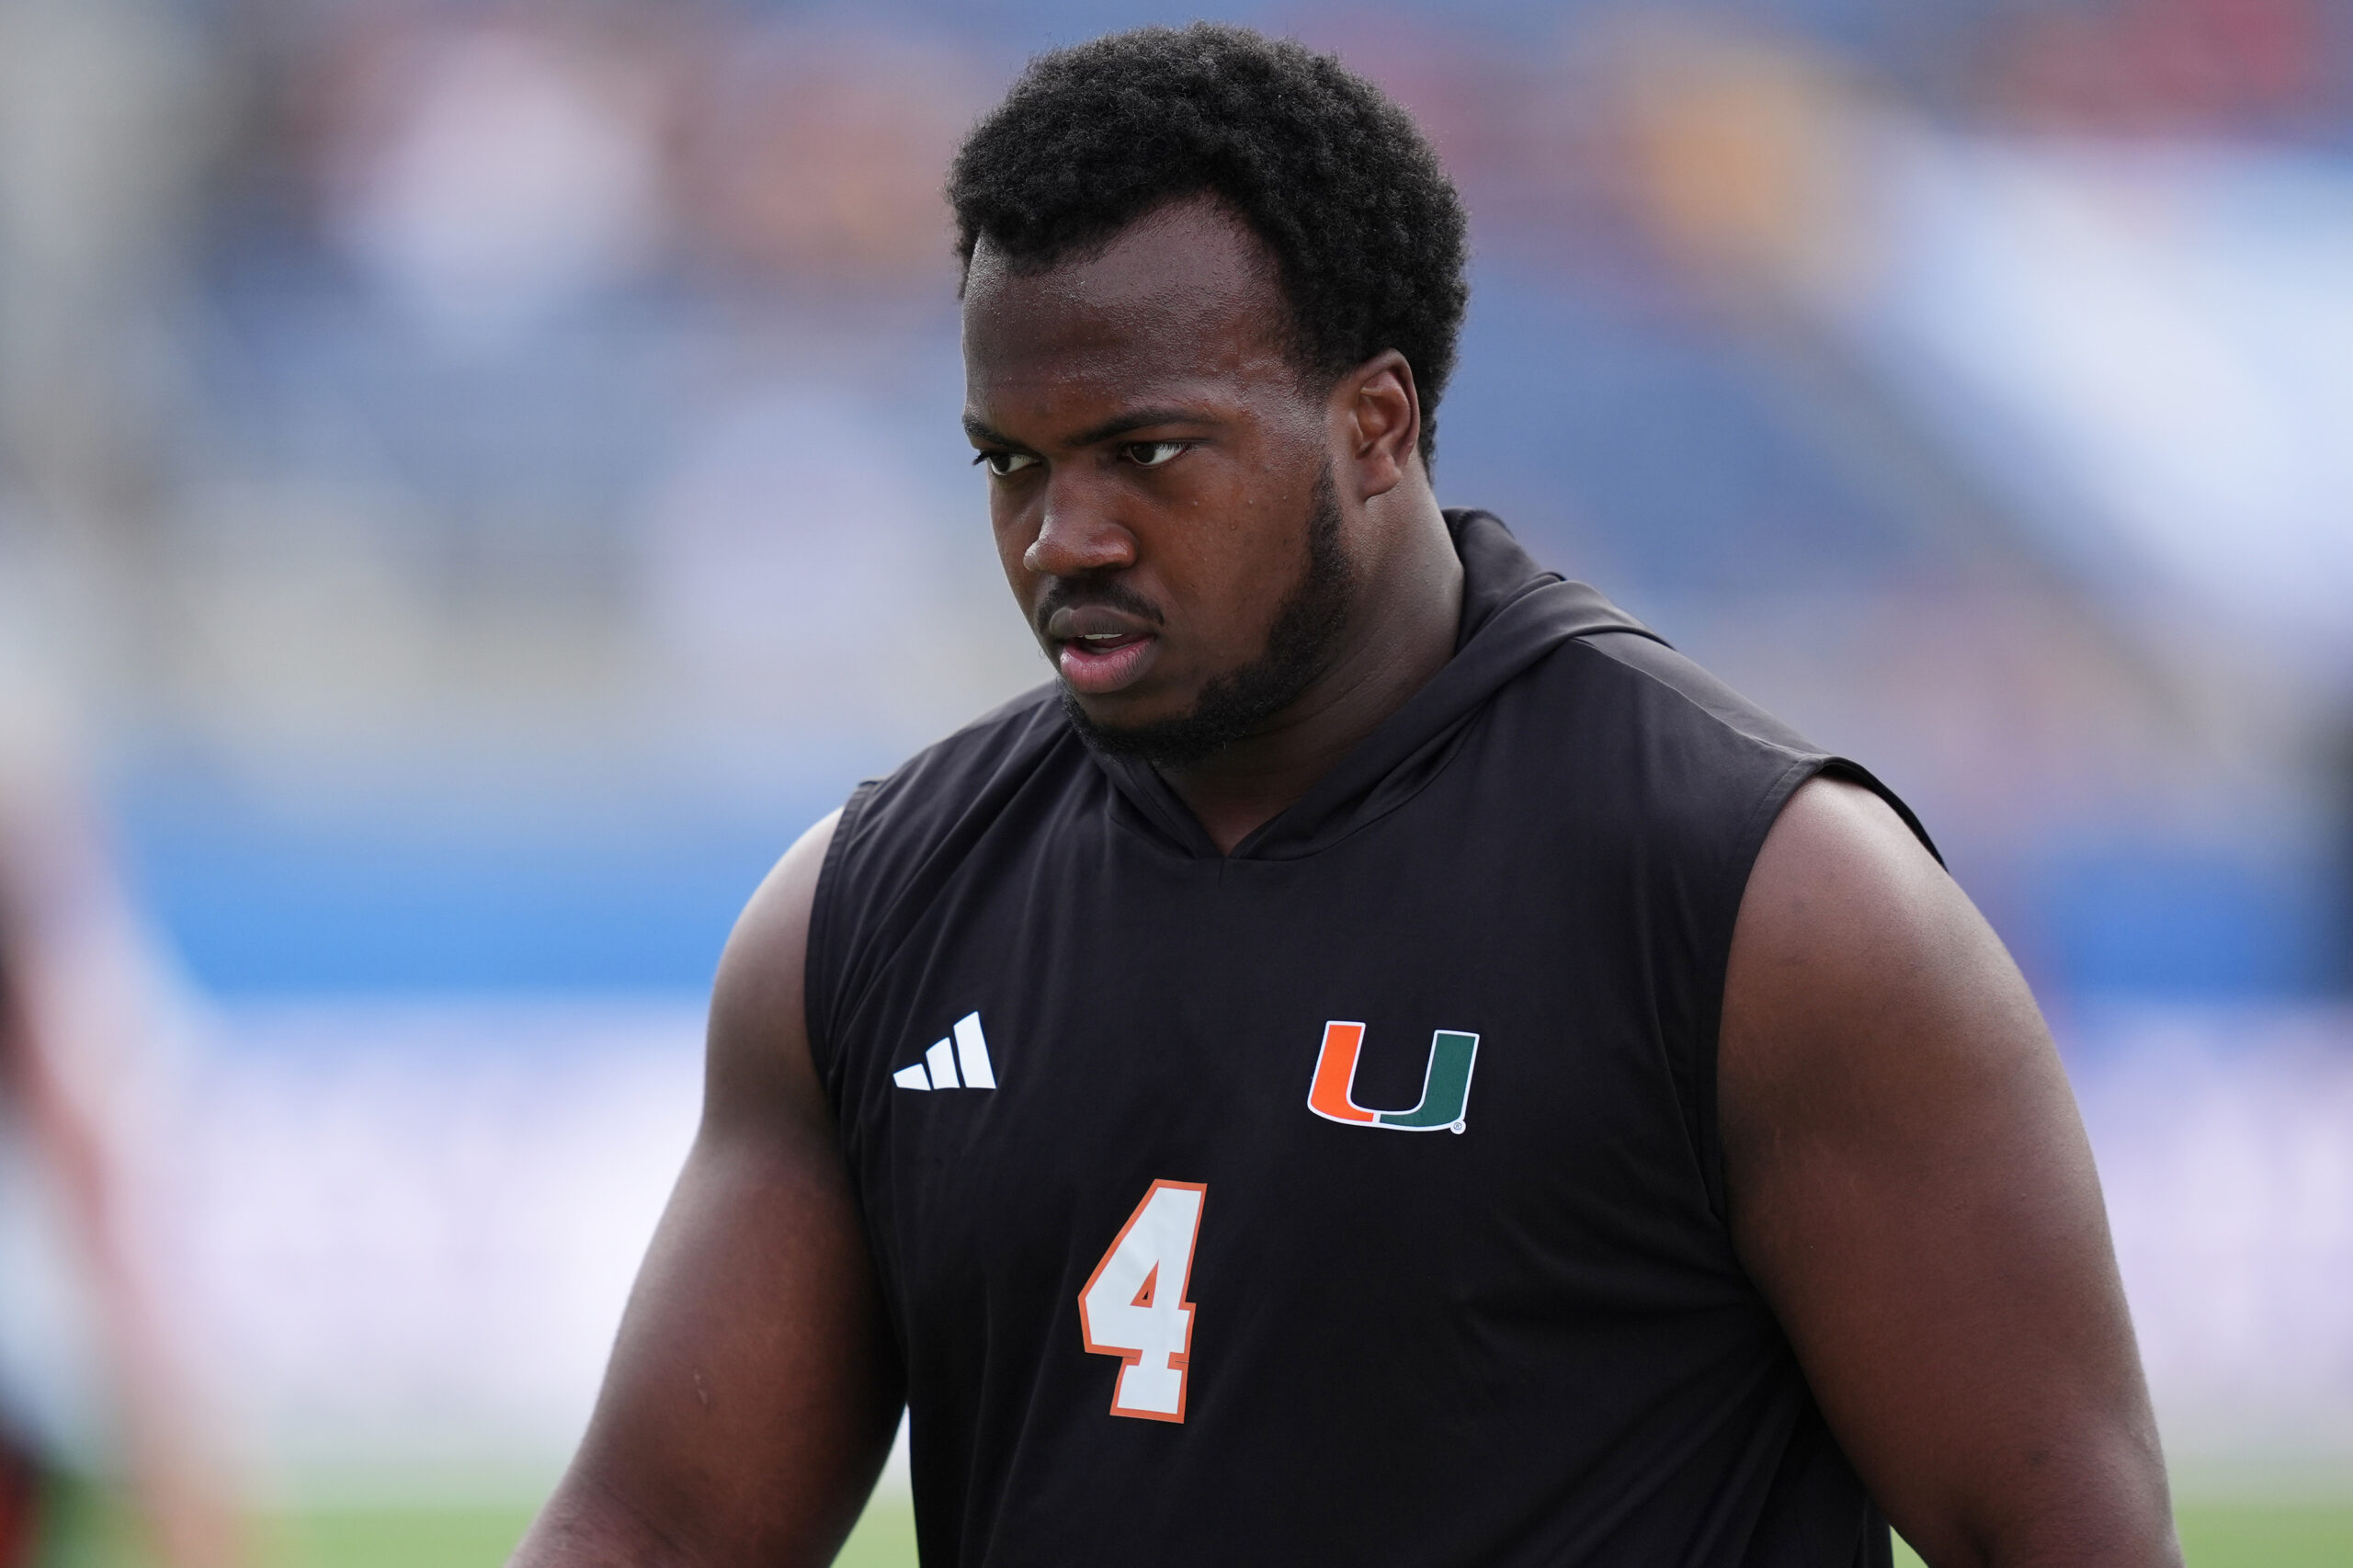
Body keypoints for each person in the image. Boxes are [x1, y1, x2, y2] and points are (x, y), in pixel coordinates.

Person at [515, 24, 2179, 1568]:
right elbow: (658, 1528)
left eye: (1145, 450)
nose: (1060, 535)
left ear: (1374, 422)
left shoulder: (1775, 906)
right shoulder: (868, 913)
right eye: (1010, 461)